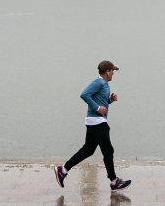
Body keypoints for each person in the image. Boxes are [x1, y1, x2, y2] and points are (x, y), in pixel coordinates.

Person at [55, 60, 131, 192]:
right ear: (107, 71)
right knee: (108, 150)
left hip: (95, 121)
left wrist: (109, 100)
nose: (114, 73)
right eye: (113, 71)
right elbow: (84, 94)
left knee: (88, 150)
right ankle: (114, 182)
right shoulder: (98, 82)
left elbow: (100, 101)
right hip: (97, 121)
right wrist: (97, 108)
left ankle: (63, 170)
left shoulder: (105, 84)